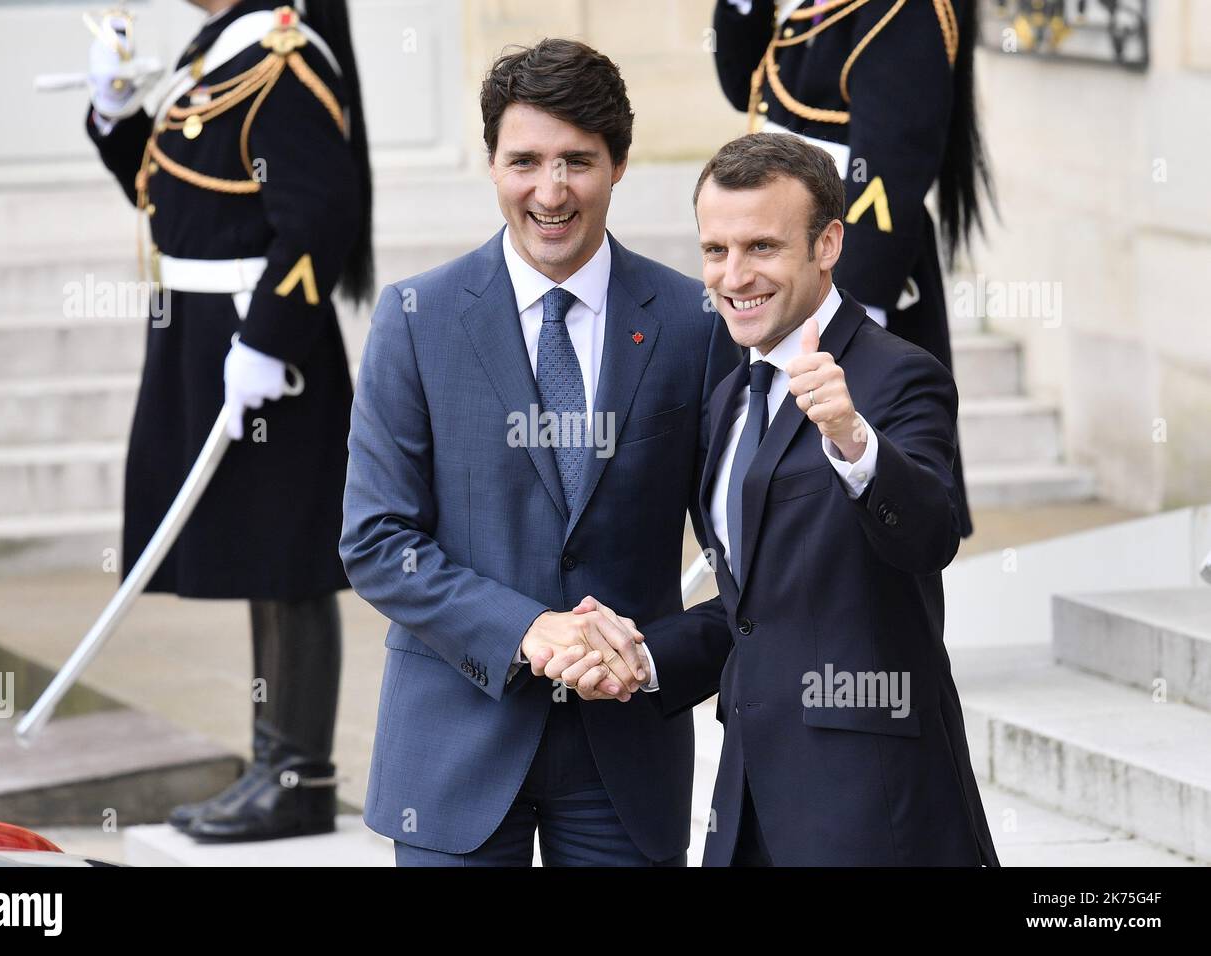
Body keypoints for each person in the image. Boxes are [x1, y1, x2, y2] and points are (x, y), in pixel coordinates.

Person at [339, 38, 738, 866]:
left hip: (625, 755)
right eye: (524, 160)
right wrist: (531, 632)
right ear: (491, 164)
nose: (550, 192)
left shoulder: (695, 325)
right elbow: (377, 544)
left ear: (619, 164)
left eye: (577, 162)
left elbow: (748, 552)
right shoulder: (416, 319)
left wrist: (657, 660)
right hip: (453, 745)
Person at [570, 133, 998, 866]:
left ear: (827, 244)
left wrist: (854, 440)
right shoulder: (732, 395)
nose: (733, 276)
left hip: (874, 807)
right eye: (715, 251)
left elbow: (929, 537)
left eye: (762, 247)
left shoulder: (897, 376)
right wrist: (641, 656)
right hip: (748, 807)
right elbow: (758, 607)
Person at [83, 0, 372, 841]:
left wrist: (268, 341)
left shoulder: (286, 58)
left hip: (262, 341)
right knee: (259, 554)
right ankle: (270, 764)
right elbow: (174, 188)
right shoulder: (218, 53)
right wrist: (113, 112)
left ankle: (297, 776)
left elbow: (321, 218)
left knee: (289, 561)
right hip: (209, 337)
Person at [710, 0, 993, 537]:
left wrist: (853, 324)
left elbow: (888, 173)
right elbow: (741, 83)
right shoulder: (806, 9)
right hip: (782, 262)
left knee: (863, 495)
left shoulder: (906, 12)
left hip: (843, 268)